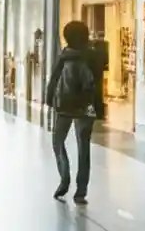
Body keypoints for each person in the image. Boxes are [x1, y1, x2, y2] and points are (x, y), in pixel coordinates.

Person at [46, 21, 98, 205]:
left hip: (64, 105)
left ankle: (64, 178)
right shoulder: (92, 55)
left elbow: (54, 79)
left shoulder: (64, 55)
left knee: (58, 141)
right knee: (84, 147)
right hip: (87, 107)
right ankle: (81, 191)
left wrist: (49, 100)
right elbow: (97, 82)